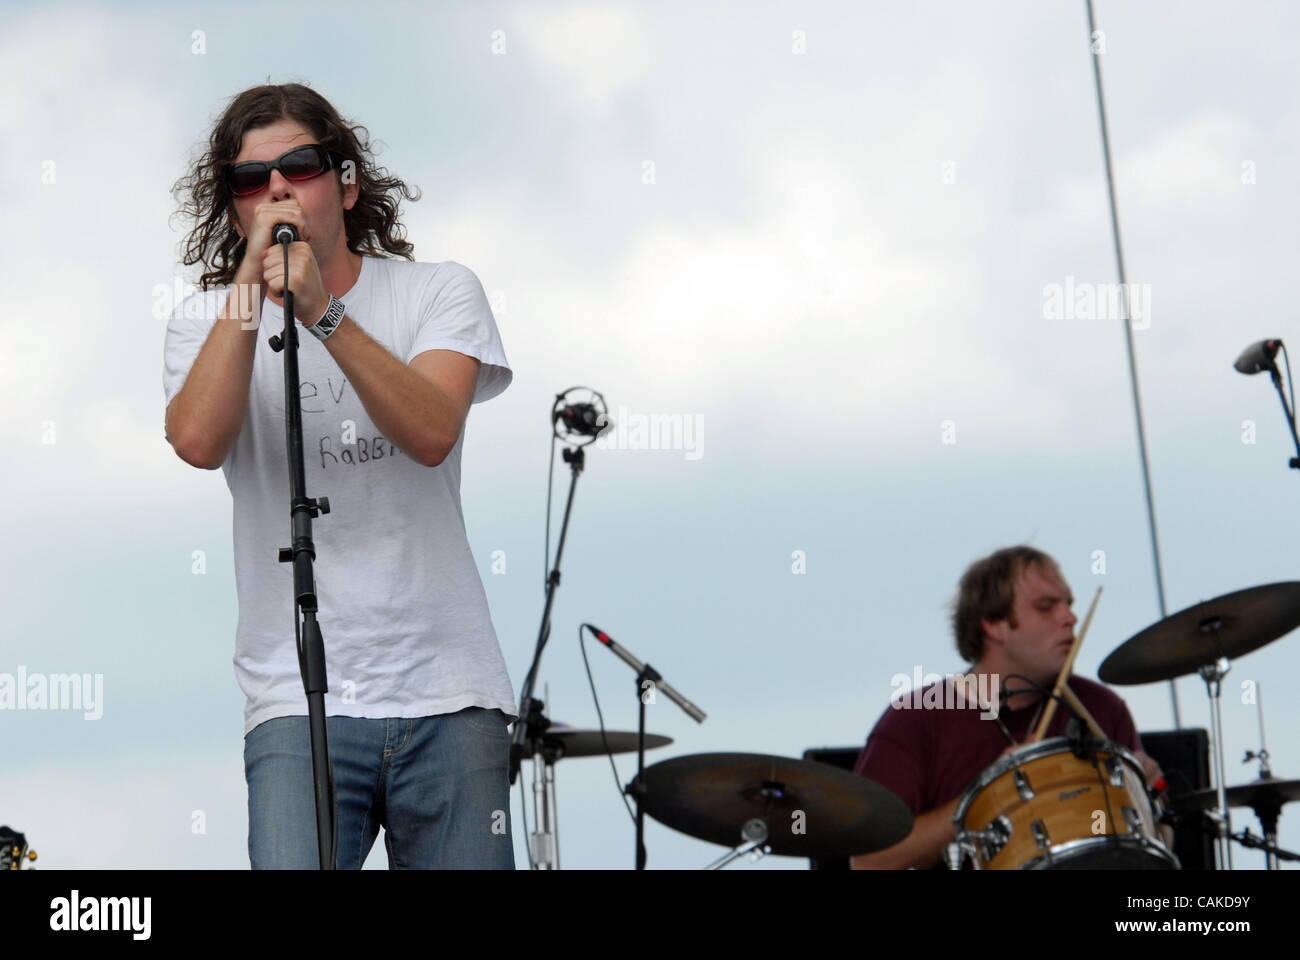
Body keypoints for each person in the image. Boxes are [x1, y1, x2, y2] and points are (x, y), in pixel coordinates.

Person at [164, 83, 516, 869]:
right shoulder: (205, 320)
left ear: (348, 183)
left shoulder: (437, 291)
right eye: (251, 181)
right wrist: (254, 291)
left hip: (448, 691)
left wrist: (324, 313)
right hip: (294, 697)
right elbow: (195, 439)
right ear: (233, 209)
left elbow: (430, 431)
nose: (277, 189)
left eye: (300, 165)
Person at [850, 545, 1165, 870]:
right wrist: (990, 793)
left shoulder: (1100, 707)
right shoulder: (916, 718)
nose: (1069, 618)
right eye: (1046, 607)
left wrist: (1148, 801)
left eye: (1069, 605)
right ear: (994, 624)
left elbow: (1156, 845)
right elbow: (870, 861)